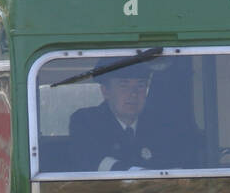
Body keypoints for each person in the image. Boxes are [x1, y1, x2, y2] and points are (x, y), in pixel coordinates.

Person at [68, 64, 197, 171]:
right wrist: (140, 174)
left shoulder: (162, 124)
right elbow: (93, 160)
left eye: (140, 86)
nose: (134, 94)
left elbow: (176, 162)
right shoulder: (87, 121)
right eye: (124, 85)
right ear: (106, 91)